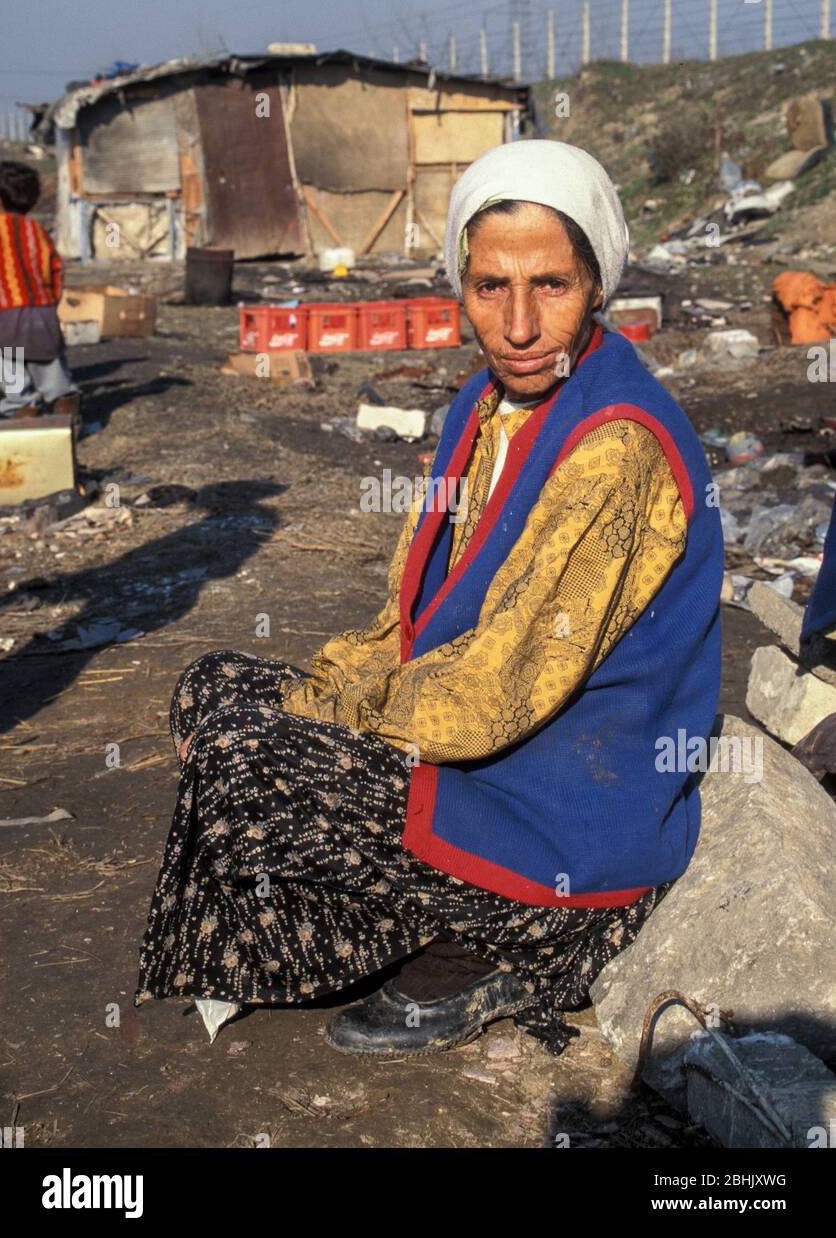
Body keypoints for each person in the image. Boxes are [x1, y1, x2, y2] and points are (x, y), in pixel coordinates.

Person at [136, 140, 723, 1058]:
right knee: (217, 687)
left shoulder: (615, 447)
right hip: (476, 740)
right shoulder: (482, 408)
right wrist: (314, 698)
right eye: (491, 287)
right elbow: (411, 619)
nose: (521, 323)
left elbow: (493, 690)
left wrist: (315, 730)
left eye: (552, 286)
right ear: (461, 286)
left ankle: (509, 938)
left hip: (565, 806)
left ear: (599, 286)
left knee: (253, 765)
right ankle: (417, 916)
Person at [0, 160, 78, 418]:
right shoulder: (37, 230)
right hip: (44, 310)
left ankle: (22, 406)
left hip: (8, 311)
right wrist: (51, 302)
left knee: (4, 359)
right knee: (46, 360)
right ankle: (64, 399)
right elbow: (57, 268)